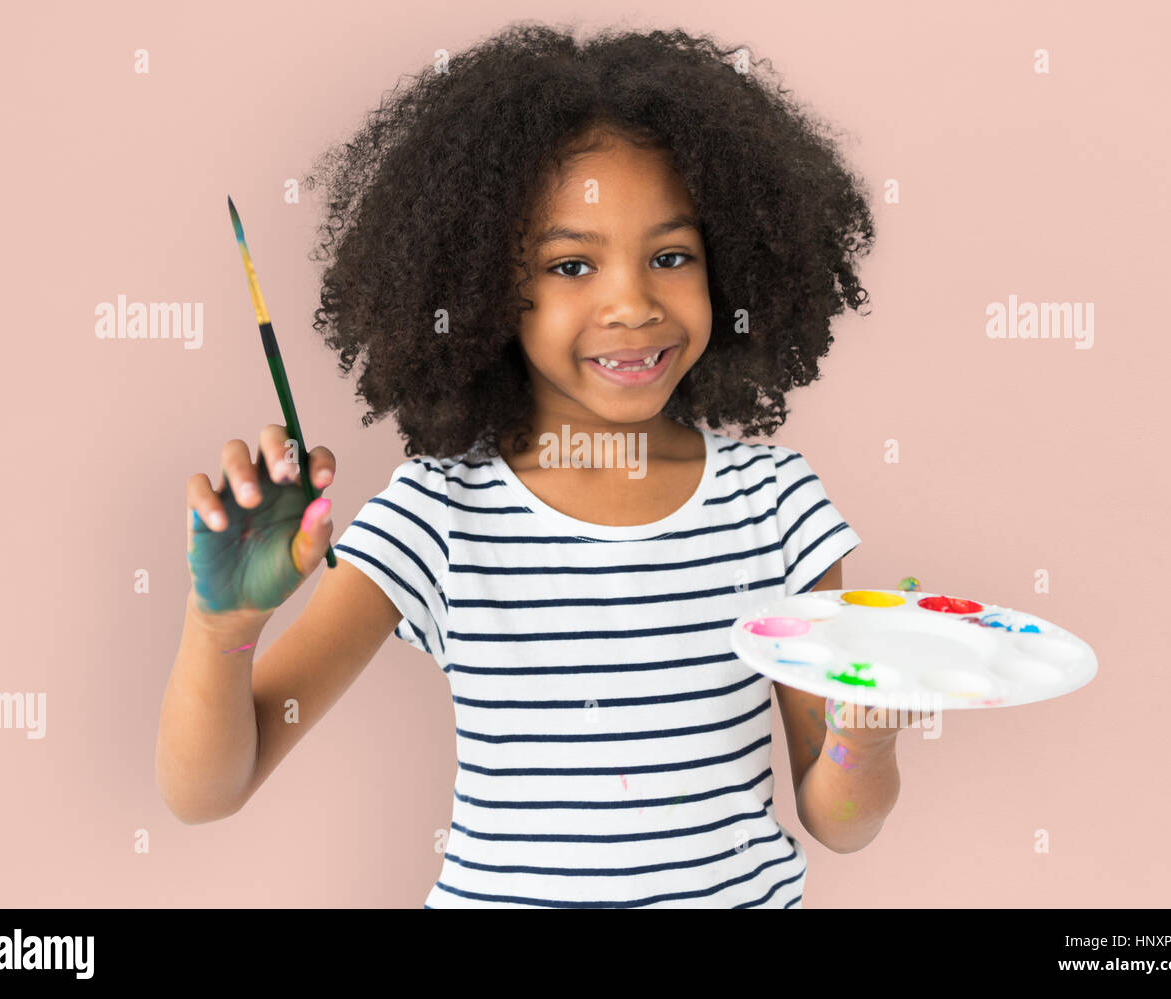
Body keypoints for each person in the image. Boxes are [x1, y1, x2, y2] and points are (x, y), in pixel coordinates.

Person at [157, 23, 889, 908]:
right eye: (572, 264)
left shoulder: (776, 508)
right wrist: (221, 627)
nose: (632, 303)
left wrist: (866, 737)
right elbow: (207, 791)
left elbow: (842, 820)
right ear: (480, 291)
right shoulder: (440, 514)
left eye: (670, 256)